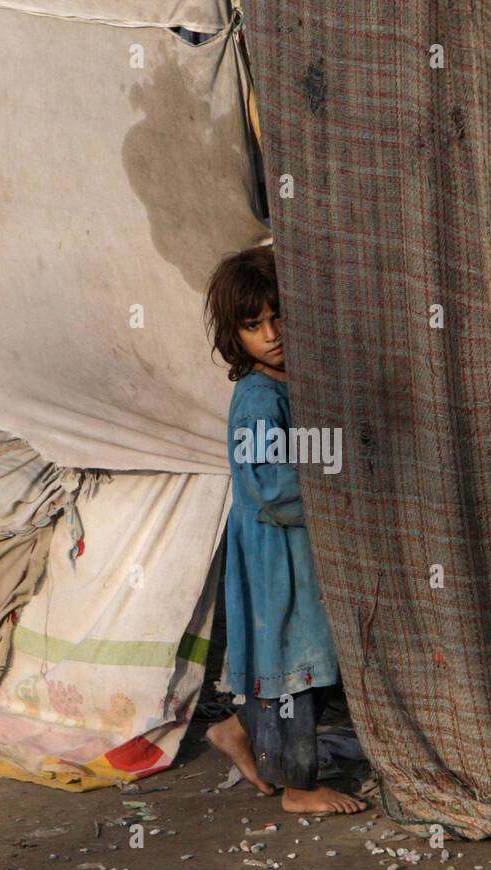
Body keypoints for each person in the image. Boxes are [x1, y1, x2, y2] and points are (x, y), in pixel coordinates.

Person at [201, 245, 366, 815]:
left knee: (308, 654)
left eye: (279, 316)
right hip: (279, 548)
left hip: (298, 542)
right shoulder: (259, 400)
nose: (271, 333)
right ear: (235, 335)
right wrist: (344, 493)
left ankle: (236, 730)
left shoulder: (289, 383)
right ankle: (297, 785)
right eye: (253, 325)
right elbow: (271, 487)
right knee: (293, 659)